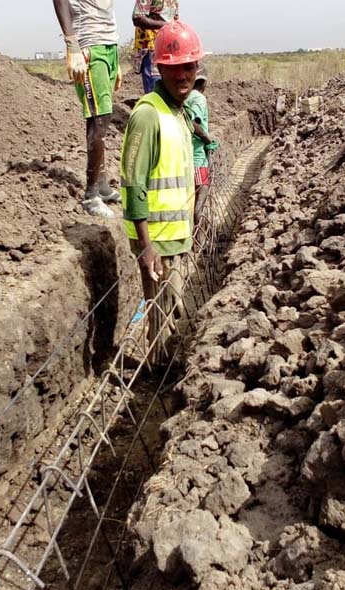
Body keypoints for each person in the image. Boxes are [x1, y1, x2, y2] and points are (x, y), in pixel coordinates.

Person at [120, 19, 204, 363]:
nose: (182, 75)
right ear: (159, 68)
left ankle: (166, 364)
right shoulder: (148, 115)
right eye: (174, 68)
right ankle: (159, 374)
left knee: (170, 307)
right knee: (160, 312)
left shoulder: (179, 111)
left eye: (188, 67)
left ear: (196, 67)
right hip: (156, 239)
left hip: (174, 235)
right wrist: (146, 245)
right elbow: (132, 182)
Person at [52, 0, 123, 218]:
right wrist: (72, 45)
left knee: (101, 118)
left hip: (108, 46)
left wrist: (115, 58)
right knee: (99, 120)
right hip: (89, 49)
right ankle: (91, 196)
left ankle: (101, 184)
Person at [183, 63, 218, 238]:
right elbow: (194, 123)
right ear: (202, 82)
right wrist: (207, 140)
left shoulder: (184, 96)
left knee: (190, 199)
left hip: (185, 156)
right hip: (198, 159)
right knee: (200, 199)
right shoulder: (198, 98)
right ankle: (200, 239)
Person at [132, 0, 179, 93]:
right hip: (151, 48)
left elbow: (174, 20)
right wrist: (166, 25)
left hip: (169, 48)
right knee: (155, 93)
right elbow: (137, 18)